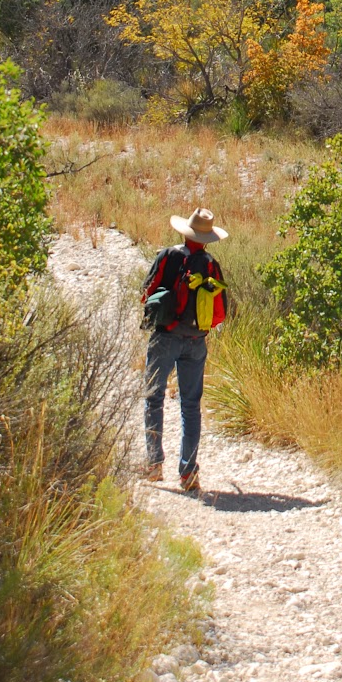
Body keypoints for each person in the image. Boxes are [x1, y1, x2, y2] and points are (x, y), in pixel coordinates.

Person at [141, 206, 228, 491]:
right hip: (196, 340)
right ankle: (188, 473)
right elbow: (221, 311)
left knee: (154, 398)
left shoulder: (169, 256)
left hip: (165, 337)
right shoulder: (211, 265)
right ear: (207, 238)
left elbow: (147, 292)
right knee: (190, 406)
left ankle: (154, 464)